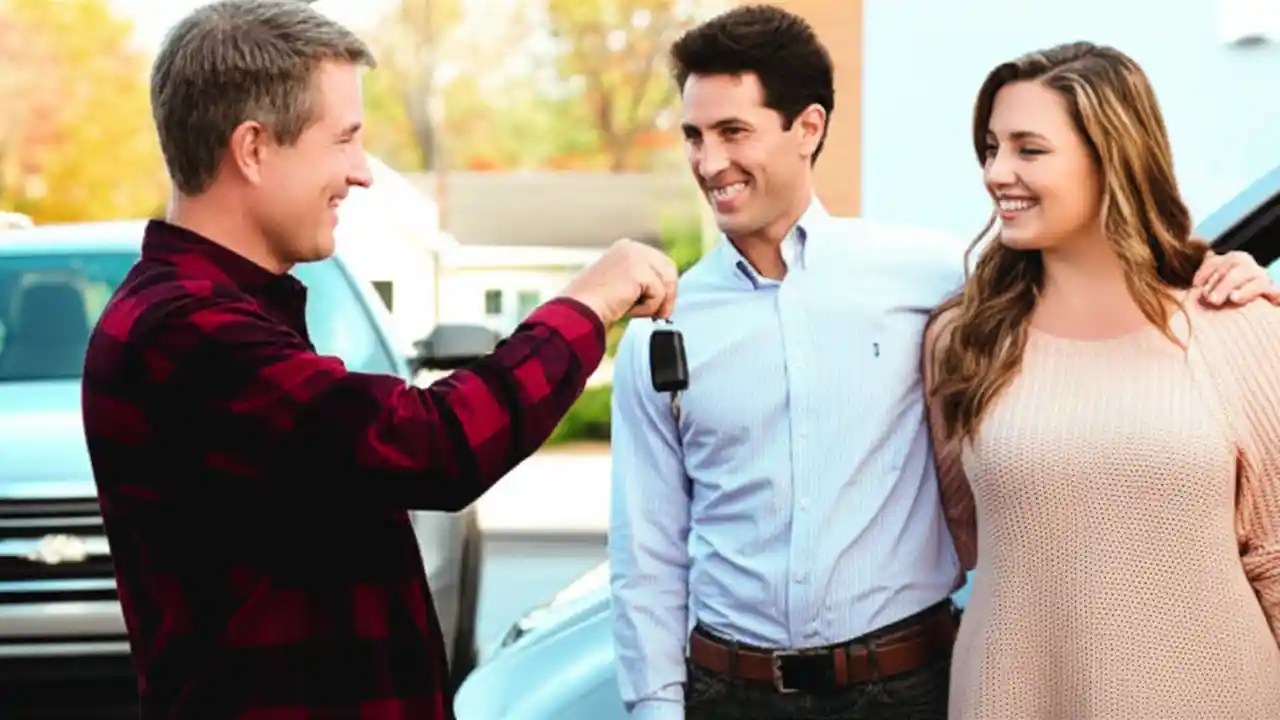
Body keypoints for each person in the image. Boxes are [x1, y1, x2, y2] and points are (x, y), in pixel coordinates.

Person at [608, 7, 1278, 720]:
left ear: (807, 128)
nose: (709, 162)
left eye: (733, 131)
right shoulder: (666, 330)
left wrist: (1221, 274)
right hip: (737, 693)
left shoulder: (931, 281)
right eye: (693, 136)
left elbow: (1122, 279)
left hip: (904, 688)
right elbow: (645, 553)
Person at [79, 2, 677, 718]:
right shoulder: (188, 333)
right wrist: (588, 304)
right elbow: (433, 443)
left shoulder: (216, 318)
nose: (361, 173)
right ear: (253, 149)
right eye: (344, 140)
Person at [923, 41, 1280, 719]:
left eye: (1029, 149)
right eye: (991, 147)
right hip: (1015, 698)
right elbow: (965, 530)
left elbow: (1276, 554)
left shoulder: (1238, 326)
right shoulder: (966, 341)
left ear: (1112, 155)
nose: (997, 171)